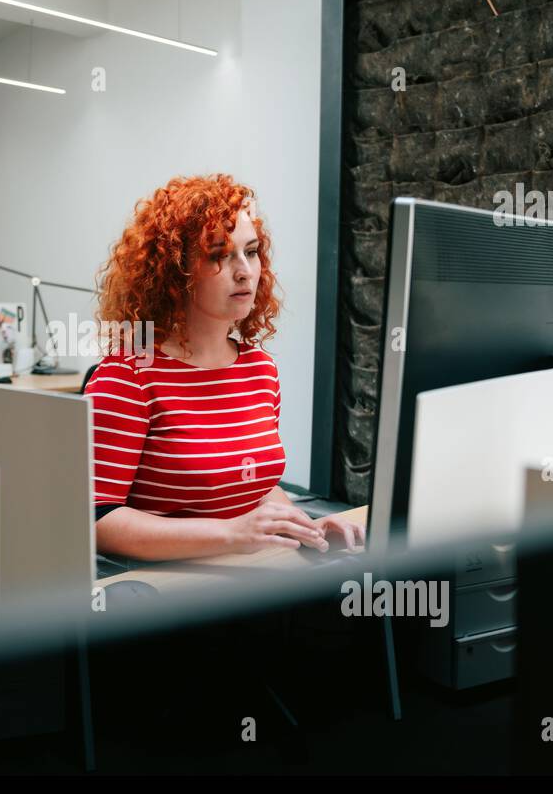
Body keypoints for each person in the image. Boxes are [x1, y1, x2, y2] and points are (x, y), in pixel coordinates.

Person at [87, 174, 365, 561]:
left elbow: (251, 487)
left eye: (251, 252)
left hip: (248, 577)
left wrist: (307, 528)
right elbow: (96, 518)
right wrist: (228, 534)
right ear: (174, 272)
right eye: (218, 255)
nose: (245, 271)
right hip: (165, 589)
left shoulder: (259, 368)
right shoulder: (129, 374)